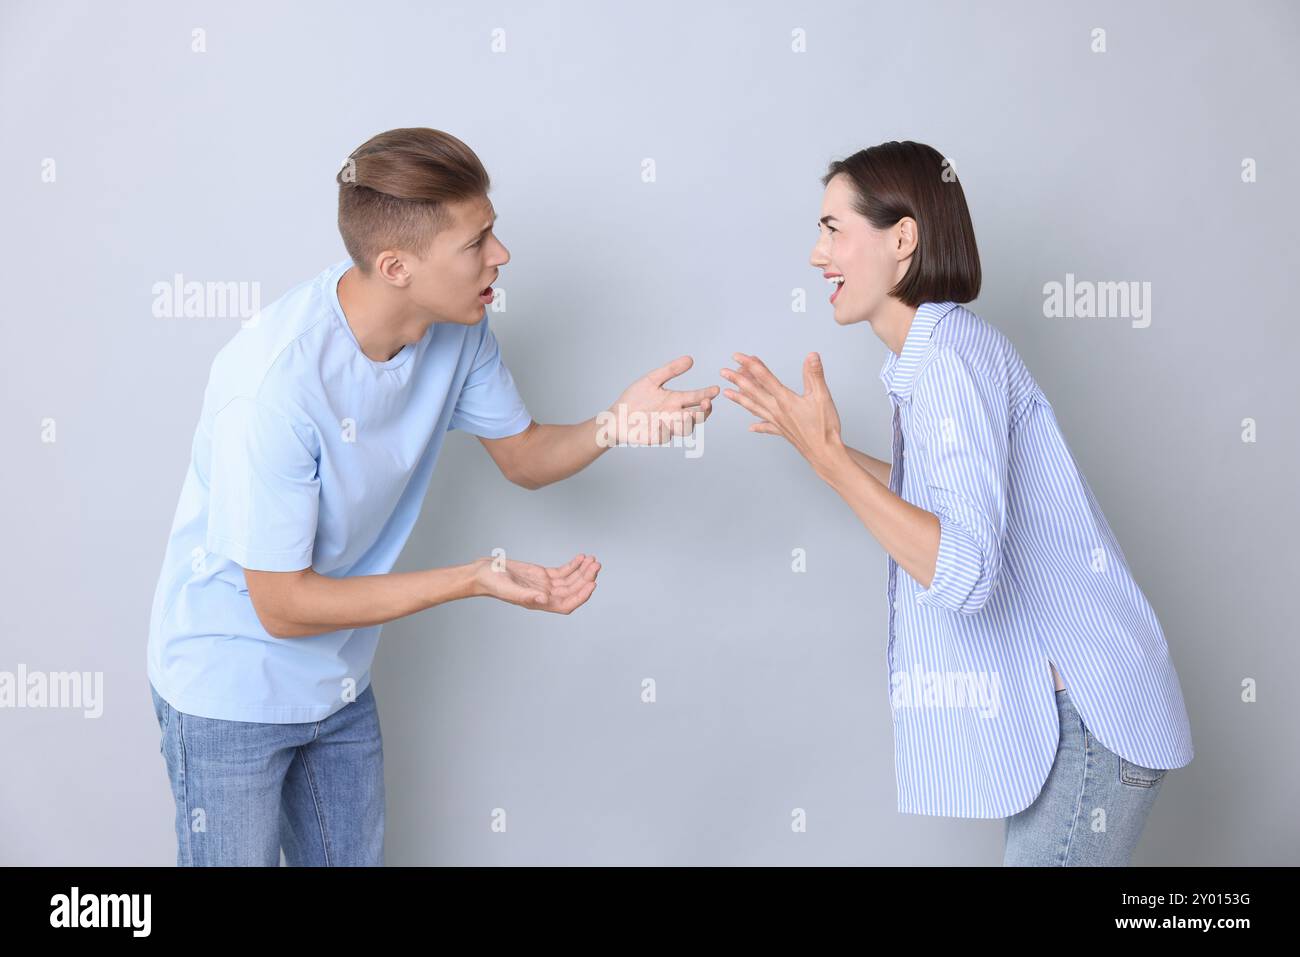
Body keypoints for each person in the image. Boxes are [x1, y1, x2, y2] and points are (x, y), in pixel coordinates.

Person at [146, 127, 719, 866]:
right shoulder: (273, 389)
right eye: (477, 241)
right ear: (396, 266)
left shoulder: (460, 328)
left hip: (338, 681)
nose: (501, 255)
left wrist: (617, 424)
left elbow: (523, 457)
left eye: (495, 231)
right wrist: (470, 578)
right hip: (228, 689)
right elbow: (281, 606)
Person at [718, 140, 1193, 865]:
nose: (818, 257)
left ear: (902, 237)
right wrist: (826, 454)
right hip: (1078, 720)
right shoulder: (943, 353)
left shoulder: (948, 359)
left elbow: (965, 571)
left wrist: (831, 464)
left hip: (1089, 721)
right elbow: (943, 513)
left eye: (833, 229)